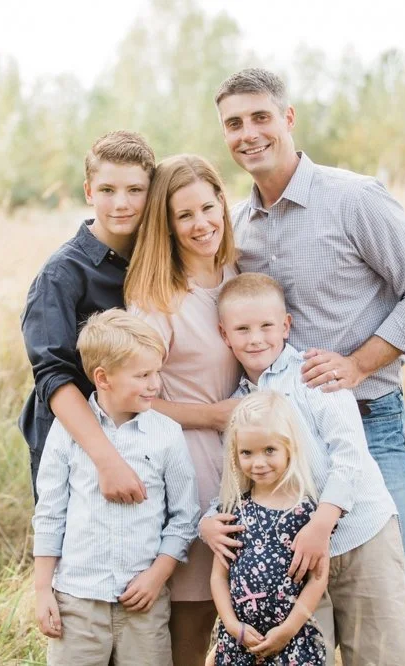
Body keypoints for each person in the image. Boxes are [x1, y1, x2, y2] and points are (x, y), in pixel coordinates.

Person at [213, 67, 405, 665]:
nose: (249, 133)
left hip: (368, 419)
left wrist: (356, 364)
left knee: (399, 585)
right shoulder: (240, 227)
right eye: (233, 124)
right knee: (304, 601)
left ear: (289, 118)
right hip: (285, 450)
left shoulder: (353, 199)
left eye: (261, 117)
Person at [210, 272, 405, 665]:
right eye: (242, 329)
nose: (256, 338)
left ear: (286, 326)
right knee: (304, 655)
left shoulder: (314, 373)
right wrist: (210, 520)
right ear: (225, 335)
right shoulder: (240, 406)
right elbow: (236, 483)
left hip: (360, 535)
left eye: (266, 326)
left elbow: (351, 455)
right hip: (294, 561)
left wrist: (322, 523)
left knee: (383, 654)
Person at [125, 154, 242, 666]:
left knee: (248, 616)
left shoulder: (239, 270)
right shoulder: (158, 297)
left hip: (248, 464)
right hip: (188, 467)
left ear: (222, 202)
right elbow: (134, 397)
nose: (201, 224)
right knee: (192, 627)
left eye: (207, 207)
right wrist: (213, 416)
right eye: (184, 216)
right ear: (167, 226)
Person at [32, 309, 200, 666]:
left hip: (143, 603)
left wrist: (158, 575)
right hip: (77, 600)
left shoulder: (166, 434)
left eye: (157, 372)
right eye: (142, 375)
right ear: (103, 378)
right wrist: (42, 589)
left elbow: (185, 517)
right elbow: (49, 512)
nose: (155, 383)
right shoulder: (68, 432)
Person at [20, 131, 156, 504]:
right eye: (108, 190)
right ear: (88, 192)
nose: (121, 203)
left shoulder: (155, 260)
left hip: (136, 432)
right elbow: (53, 375)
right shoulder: (61, 274)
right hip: (74, 443)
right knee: (73, 557)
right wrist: (106, 459)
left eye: (135, 190)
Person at [210, 391, 328, 666]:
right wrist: (230, 625)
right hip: (239, 641)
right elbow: (218, 577)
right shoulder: (234, 509)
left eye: (269, 451)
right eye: (247, 453)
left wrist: (288, 630)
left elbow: (318, 579)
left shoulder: (307, 512)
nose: (258, 462)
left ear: (290, 448)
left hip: (292, 640)